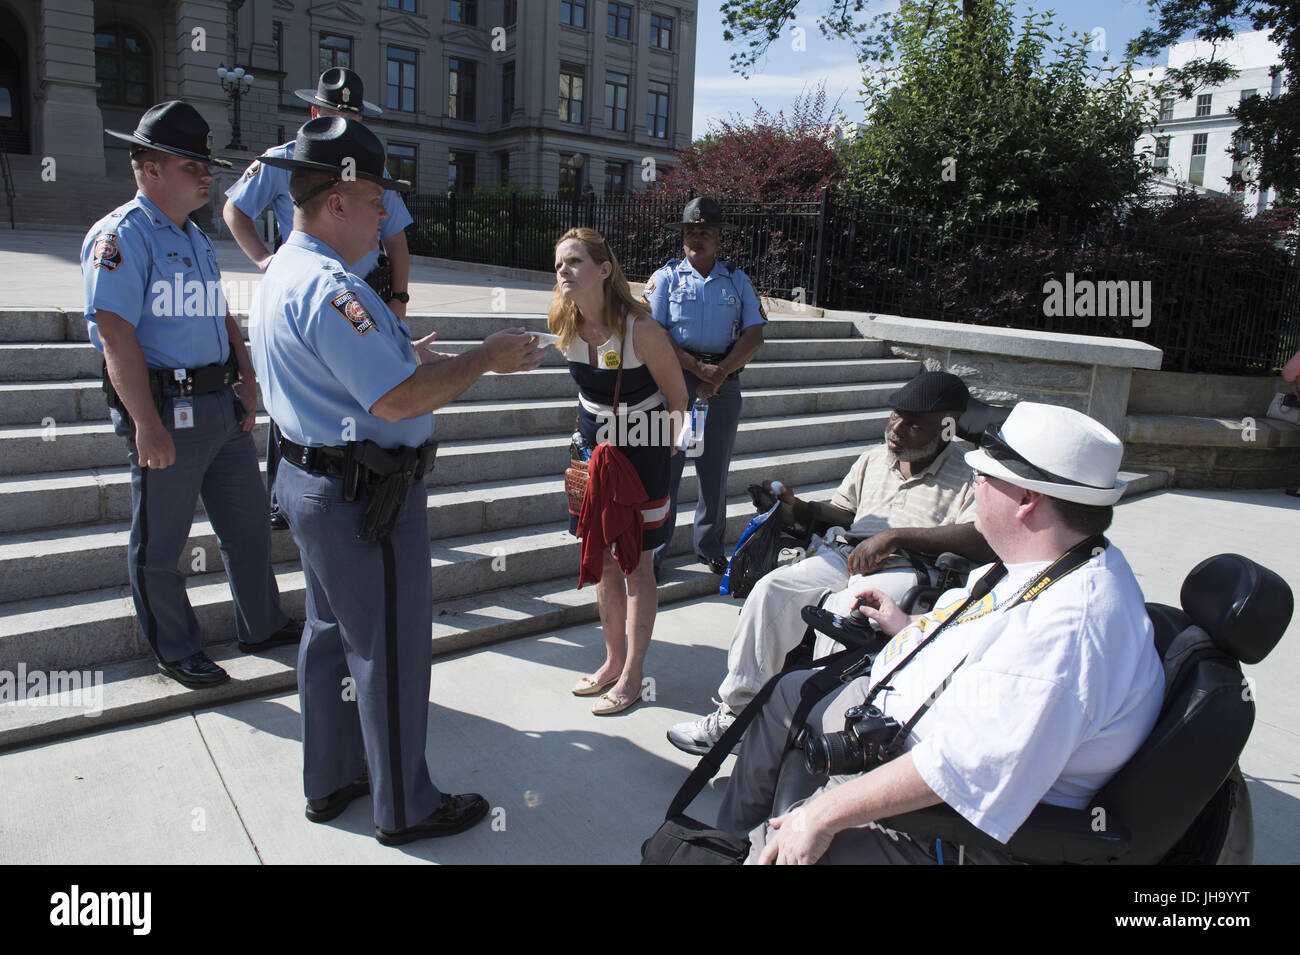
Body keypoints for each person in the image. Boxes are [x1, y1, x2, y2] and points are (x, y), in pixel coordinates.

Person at [248, 116, 544, 844]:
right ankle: (407, 806)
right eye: (378, 201)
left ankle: (333, 778)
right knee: (392, 649)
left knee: (327, 636)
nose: (387, 217)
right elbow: (395, 400)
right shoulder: (330, 288)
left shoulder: (286, 270)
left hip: (313, 483)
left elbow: (347, 373)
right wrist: (483, 359)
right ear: (340, 199)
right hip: (363, 500)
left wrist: (399, 349)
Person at [715, 402, 1165, 864]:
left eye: (985, 475)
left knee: (778, 850)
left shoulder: (1068, 632)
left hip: (942, 824)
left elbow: (960, 768)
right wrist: (905, 624)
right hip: (901, 727)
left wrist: (821, 815)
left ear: (1027, 499)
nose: (975, 483)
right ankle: (725, 845)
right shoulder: (1047, 562)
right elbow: (987, 636)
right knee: (789, 692)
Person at [81, 100, 298, 690]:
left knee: (248, 526)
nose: (208, 175)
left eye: (207, 164)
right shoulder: (120, 236)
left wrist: (247, 378)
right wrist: (145, 424)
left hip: (219, 406)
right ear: (150, 168)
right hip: (165, 411)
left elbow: (219, 312)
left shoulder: (194, 236)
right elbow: (115, 336)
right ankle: (176, 647)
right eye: (191, 165)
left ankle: (262, 623)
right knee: (161, 542)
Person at [667, 370, 993, 755]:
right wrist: (797, 508)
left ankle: (817, 727)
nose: (897, 430)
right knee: (771, 590)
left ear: (946, 429)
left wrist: (895, 536)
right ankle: (736, 718)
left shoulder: (972, 474)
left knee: (841, 612)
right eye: (894, 418)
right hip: (846, 554)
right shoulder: (874, 459)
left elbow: (981, 538)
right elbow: (843, 512)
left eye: (914, 426)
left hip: (909, 568)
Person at [224, 67, 414, 530]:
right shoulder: (286, 160)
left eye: (354, 118)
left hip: (362, 292)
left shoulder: (372, 171)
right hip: (310, 291)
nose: (348, 126)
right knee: (302, 397)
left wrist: (400, 300)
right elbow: (235, 209)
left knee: (357, 390)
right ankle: (290, 491)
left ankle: (356, 484)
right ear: (315, 114)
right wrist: (265, 260)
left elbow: (396, 239)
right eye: (336, 116)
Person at [555, 227, 689, 716]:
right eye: (558, 265)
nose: (562, 272)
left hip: (644, 452)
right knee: (604, 558)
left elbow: (679, 401)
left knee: (638, 563)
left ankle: (634, 676)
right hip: (591, 453)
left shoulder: (642, 329)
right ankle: (612, 663)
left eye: (573, 262)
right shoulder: (564, 322)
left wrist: (660, 459)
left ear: (604, 270)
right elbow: (583, 393)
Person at [643, 197, 767, 576]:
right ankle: (655, 549)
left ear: (718, 238)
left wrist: (720, 372)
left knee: (714, 469)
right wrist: (695, 367)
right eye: (691, 232)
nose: (697, 238)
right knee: (667, 466)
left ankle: (710, 546)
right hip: (674, 379)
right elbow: (654, 330)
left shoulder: (737, 279)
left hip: (723, 381)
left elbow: (755, 333)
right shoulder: (665, 278)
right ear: (682, 238)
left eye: (705, 232)